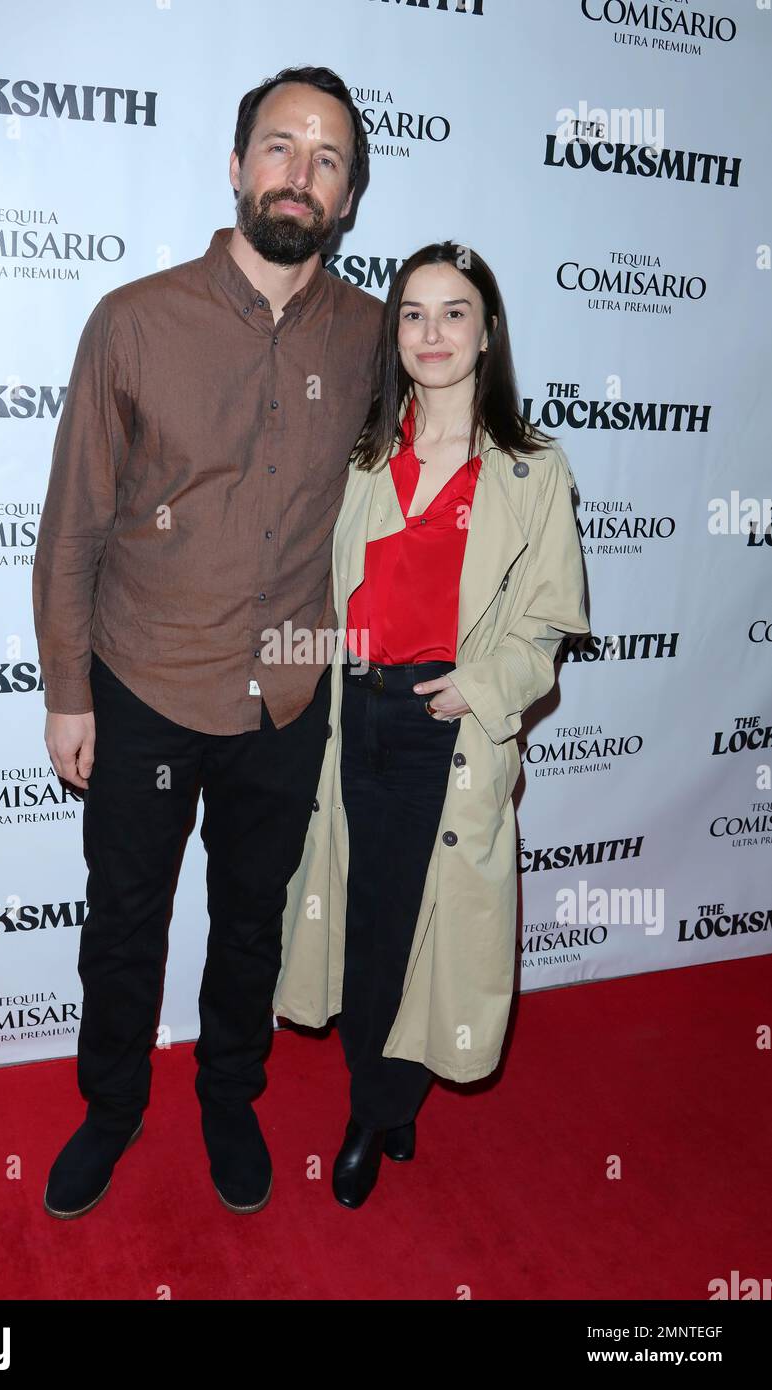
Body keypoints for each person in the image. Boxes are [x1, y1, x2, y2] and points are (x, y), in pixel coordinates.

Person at [32, 65, 384, 1219]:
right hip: (143, 682)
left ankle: (228, 1096)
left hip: (285, 696)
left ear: (348, 195)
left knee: (252, 919)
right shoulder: (135, 321)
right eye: (280, 148)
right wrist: (67, 690)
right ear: (237, 168)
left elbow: (440, 474)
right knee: (124, 919)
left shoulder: (378, 336)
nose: (300, 173)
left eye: (327, 159)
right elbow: (74, 517)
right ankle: (111, 1106)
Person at [273, 240, 591, 1207]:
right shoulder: (366, 453)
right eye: (411, 313)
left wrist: (479, 687)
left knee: (426, 923)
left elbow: (544, 627)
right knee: (366, 918)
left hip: (446, 732)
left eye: (454, 312)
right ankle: (388, 1097)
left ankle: (373, 1110)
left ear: (487, 332)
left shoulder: (532, 470)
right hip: (353, 716)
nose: (431, 332)